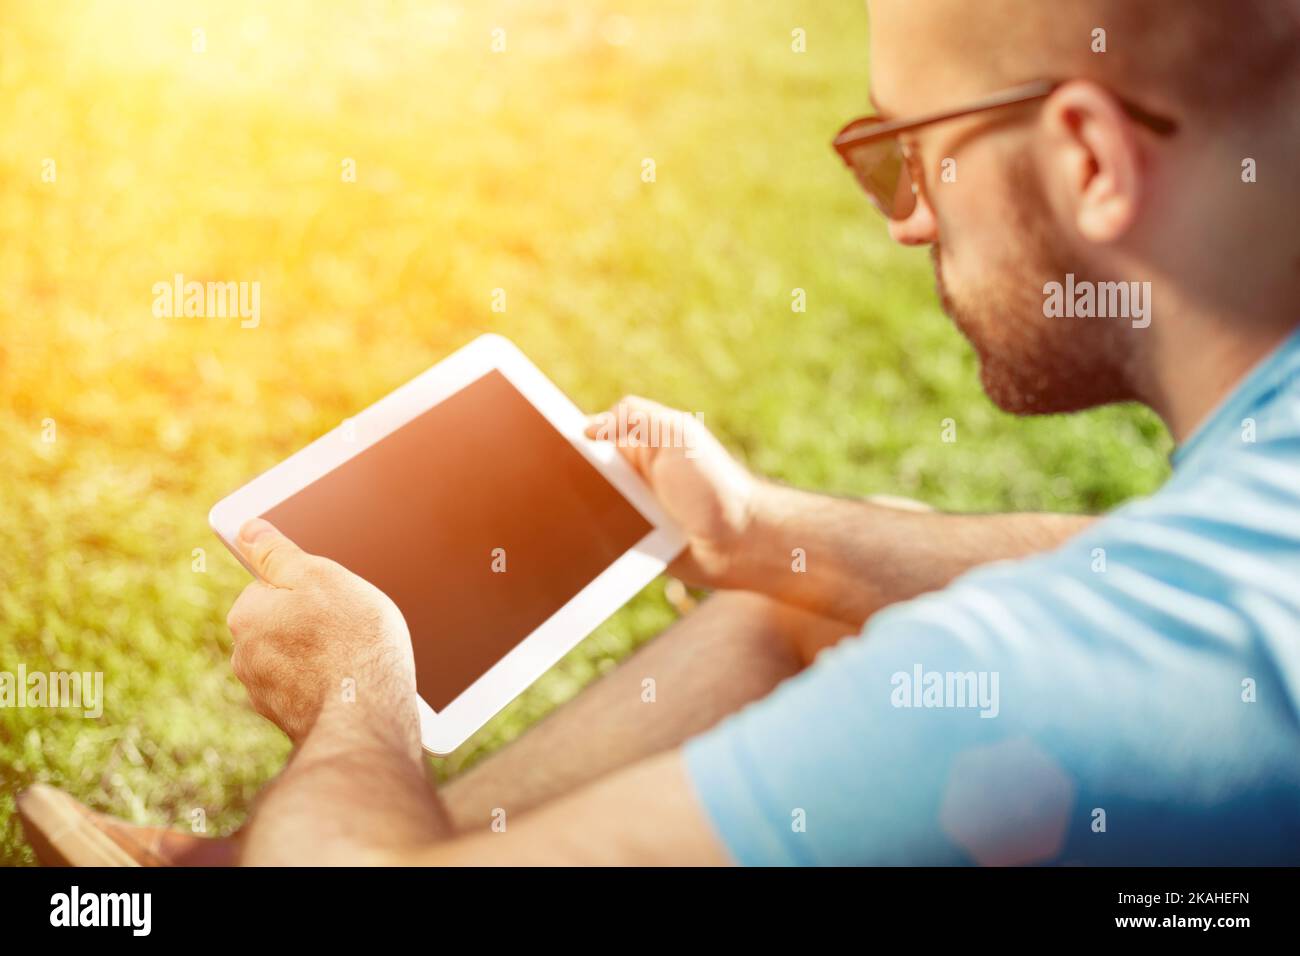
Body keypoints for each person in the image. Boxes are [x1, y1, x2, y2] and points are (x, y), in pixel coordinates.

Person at [19, 0, 1300, 865]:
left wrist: (360, 703)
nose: (905, 222)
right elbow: (1141, 573)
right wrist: (763, 534)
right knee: (822, 587)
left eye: (905, 155)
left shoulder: (1055, 680)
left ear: (1086, 160)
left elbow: (1108, 631)